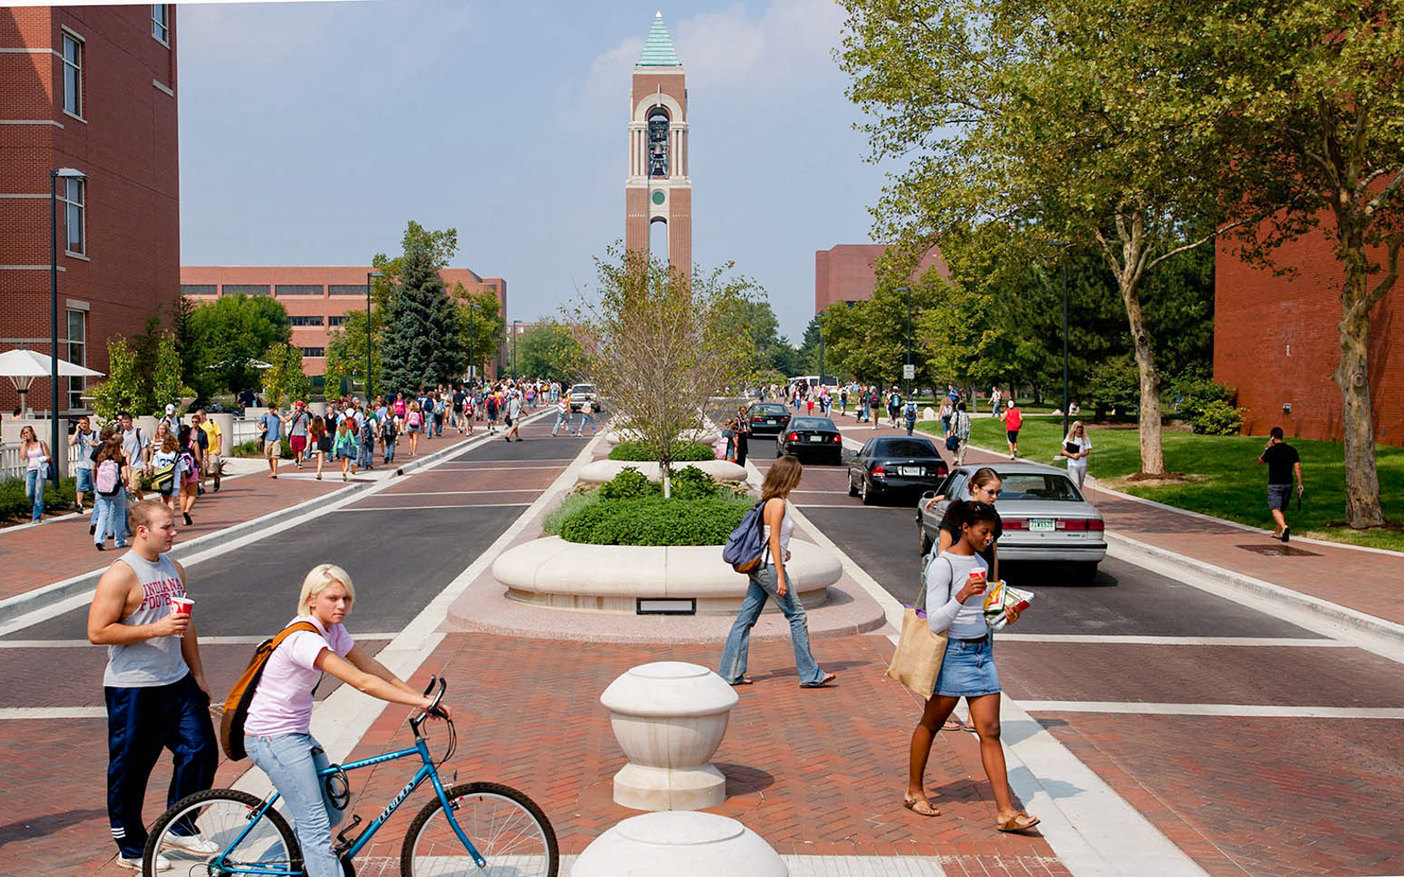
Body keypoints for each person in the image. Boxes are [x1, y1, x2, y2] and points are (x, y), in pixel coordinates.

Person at [245, 565, 446, 877]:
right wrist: (420, 702)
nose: (341, 605)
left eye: (346, 598)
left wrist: (420, 696)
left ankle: (264, 869)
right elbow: (361, 682)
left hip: (295, 735)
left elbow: (369, 666)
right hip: (272, 738)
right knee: (315, 828)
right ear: (311, 600)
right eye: (333, 598)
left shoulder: (332, 630)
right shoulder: (304, 638)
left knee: (329, 813)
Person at [87, 500, 218, 871]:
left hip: (177, 681)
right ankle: (130, 847)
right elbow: (97, 631)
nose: (174, 531)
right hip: (133, 687)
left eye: (174, 525)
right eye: (166, 527)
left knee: (202, 751)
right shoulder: (121, 574)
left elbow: (185, 625)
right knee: (131, 768)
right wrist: (154, 629)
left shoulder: (175, 568)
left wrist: (198, 675)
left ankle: (180, 825)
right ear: (142, 531)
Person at [903, 500, 1037, 833]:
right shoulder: (943, 566)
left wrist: (1005, 618)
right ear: (965, 528)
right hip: (953, 656)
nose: (989, 539)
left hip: (982, 655)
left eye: (992, 533)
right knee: (931, 724)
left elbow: (983, 619)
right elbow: (935, 621)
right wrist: (961, 595)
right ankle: (914, 790)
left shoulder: (980, 561)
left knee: (990, 731)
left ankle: (1006, 812)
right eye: (984, 532)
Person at [718, 455, 836, 689]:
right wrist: (781, 576)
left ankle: (730, 674)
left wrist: (785, 551)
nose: (799, 480)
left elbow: (772, 539)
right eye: (797, 475)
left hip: (760, 566)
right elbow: (772, 541)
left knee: (745, 620)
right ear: (789, 477)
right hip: (769, 568)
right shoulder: (778, 504)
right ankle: (810, 673)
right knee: (797, 615)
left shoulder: (770, 500)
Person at [1258, 426, 1304, 542]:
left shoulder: (1272, 451)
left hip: (1274, 483)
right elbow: (1297, 468)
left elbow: (1261, 461)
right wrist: (1300, 484)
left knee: (1274, 508)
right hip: (1288, 483)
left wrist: (1266, 448)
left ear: (1272, 437)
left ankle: (1284, 527)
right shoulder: (1292, 450)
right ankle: (1278, 532)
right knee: (1282, 509)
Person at [92, 435, 131, 551]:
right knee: (119, 514)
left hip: (101, 490)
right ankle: (119, 540)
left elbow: (97, 473)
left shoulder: (101, 459)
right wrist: (125, 485)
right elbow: (125, 476)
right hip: (116, 490)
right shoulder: (120, 459)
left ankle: (99, 539)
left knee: (103, 514)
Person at [19, 425, 50, 522]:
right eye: (24, 433)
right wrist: (24, 444)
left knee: (38, 493)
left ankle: (36, 517)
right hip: (30, 470)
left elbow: (48, 456)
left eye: (27, 432)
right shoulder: (25, 446)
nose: (26, 435)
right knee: (29, 493)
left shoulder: (41, 443)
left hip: (41, 470)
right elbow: (23, 457)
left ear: (32, 433)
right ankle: (39, 506)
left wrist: (43, 459)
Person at [70, 414, 100, 514]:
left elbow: (104, 445)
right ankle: (79, 504)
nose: (83, 425)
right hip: (82, 464)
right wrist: (76, 431)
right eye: (81, 423)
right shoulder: (80, 435)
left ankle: (98, 504)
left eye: (85, 423)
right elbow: (71, 443)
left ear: (89, 423)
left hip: (93, 465)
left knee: (95, 486)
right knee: (80, 485)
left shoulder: (96, 434)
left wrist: (95, 444)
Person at [118, 413, 150, 501]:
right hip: (126, 465)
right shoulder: (121, 433)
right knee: (127, 488)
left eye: (127, 422)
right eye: (123, 422)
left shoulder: (139, 432)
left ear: (131, 421)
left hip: (137, 463)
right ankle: (132, 504)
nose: (125, 424)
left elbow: (144, 448)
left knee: (135, 487)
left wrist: (145, 463)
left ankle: (142, 500)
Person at [149, 433, 180, 514]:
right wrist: (183, 480)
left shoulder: (158, 453)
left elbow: (156, 468)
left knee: (163, 500)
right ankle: (171, 520)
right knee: (171, 501)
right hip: (174, 480)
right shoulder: (176, 455)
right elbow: (181, 469)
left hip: (162, 480)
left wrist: (156, 479)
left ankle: (163, 518)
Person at [177, 424, 201, 526]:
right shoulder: (193, 444)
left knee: (182, 495)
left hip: (180, 471)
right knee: (192, 494)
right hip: (192, 470)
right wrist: (202, 470)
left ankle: (183, 518)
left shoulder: (177, 445)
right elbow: (198, 458)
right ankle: (187, 511)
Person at [1060, 421, 1092, 489]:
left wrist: (1079, 455)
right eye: (1078, 427)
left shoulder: (1085, 438)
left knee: (1080, 484)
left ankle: (1077, 496)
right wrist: (1071, 455)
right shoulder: (1069, 438)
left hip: (1082, 464)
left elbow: (1087, 451)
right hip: (1072, 464)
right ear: (1074, 428)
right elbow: (1063, 451)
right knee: (1075, 483)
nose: (1079, 429)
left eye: (1081, 427)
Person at [198, 410, 223, 493]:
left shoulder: (212, 423)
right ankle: (202, 487)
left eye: (199, 416)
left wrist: (219, 448)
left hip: (212, 450)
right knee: (201, 470)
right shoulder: (197, 426)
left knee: (213, 469)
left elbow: (218, 435)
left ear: (204, 416)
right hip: (201, 452)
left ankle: (216, 478)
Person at [259, 405, 286, 478]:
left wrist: (277, 414)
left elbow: (284, 420)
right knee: (269, 456)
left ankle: (275, 472)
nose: (272, 410)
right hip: (268, 438)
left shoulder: (277, 416)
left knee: (275, 456)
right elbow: (259, 424)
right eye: (270, 408)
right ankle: (272, 470)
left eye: (273, 408)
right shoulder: (266, 416)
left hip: (276, 438)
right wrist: (262, 429)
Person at [287, 401, 311, 469]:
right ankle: (297, 458)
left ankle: (300, 462)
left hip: (301, 434)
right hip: (294, 434)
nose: (299, 407)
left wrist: (309, 432)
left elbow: (307, 424)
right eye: (298, 406)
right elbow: (287, 419)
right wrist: (293, 413)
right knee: (294, 450)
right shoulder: (294, 414)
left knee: (300, 449)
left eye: (301, 406)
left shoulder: (305, 415)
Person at [309, 416, 330, 480]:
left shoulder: (312, 428)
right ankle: (318, 472)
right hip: (321, 444)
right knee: (320, 460)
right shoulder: (322, 428)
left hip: (314, 444)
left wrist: (307, 446)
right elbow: (327, 435)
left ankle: (319, 472)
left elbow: (309, 438)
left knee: (318, 459)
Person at [951, 401, 972, 466]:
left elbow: (953, 423)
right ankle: (961, 459)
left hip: (956, 433)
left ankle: (956, 458)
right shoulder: (966, 415)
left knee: (955, 446)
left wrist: (951, 431)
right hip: (964, 433)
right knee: (963, 447)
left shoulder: (955, 414)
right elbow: (969, 424)